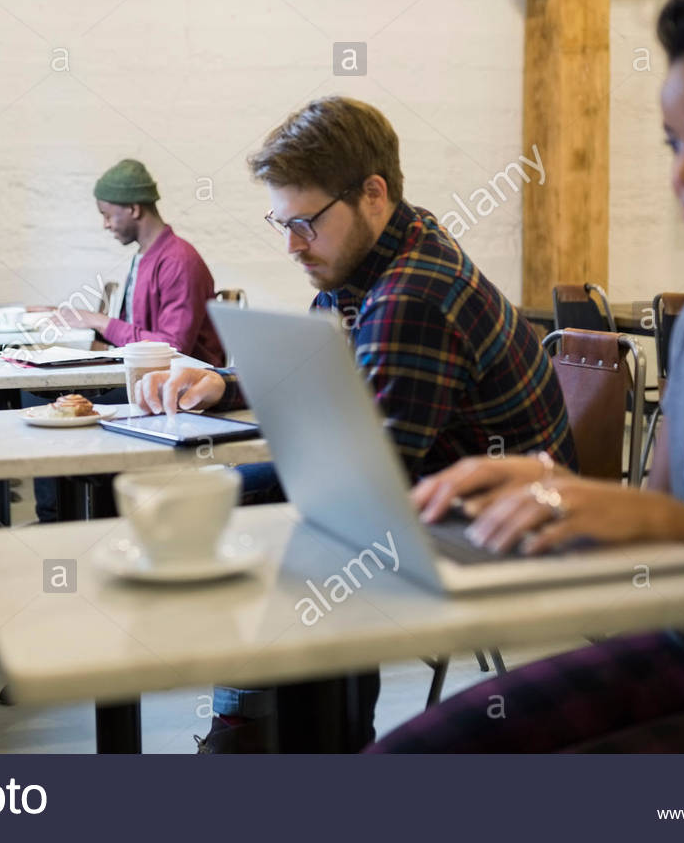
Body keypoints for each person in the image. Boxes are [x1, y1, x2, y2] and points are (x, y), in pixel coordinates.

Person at [367, 0, 684, 752]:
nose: (683, 175)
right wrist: (556, 494)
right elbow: (660, 525)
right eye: (674, 142)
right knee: (403, 762)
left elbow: (671, 520)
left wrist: (662, 519)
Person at [137, 96, 577, 752]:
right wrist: (223, 382)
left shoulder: (411, 295)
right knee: (252, 498)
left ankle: (299, 743)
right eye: (281, 223)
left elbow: (363, 493)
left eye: (305, 224)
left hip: (502, 529)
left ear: (373, 193)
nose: (291, 246)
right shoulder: (378, 255)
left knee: (291, 525)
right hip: (432, 493)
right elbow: (325, 371)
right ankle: (256, 725)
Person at [48, 159, 225, 365]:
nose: (105, 225)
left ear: (133, 209)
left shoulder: (178, 261)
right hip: (149, 375)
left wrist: (101, 322)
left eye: (107, 215)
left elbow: (174, 348)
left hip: (181, 385)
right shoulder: (145, 255)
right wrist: (81, 319)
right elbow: (137, 330)